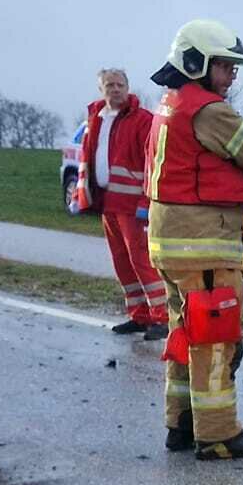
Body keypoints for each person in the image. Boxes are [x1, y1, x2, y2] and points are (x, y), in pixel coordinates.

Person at [145, 19, 243, 461]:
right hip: (203, 244)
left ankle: (179, 423)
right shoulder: (210, 110)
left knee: (186, 333)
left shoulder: (173, 103)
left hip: (169, 241)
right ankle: (218, 434)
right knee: (215, 338)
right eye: (224, 66)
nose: (231, 76)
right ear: (197, 63)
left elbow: (199, 173)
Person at [79, 68, 166, 338]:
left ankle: (162, 317)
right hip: (109, 202)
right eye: (109, 84)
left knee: (142, 260)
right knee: (121, 262)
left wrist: (146, 201)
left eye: (119, 84)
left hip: (133, 204)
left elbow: (153, 163)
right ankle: (138, 315)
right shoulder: (96, 118)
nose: (115, 89)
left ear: (128, 86)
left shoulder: (142, 120)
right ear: (101, 89)